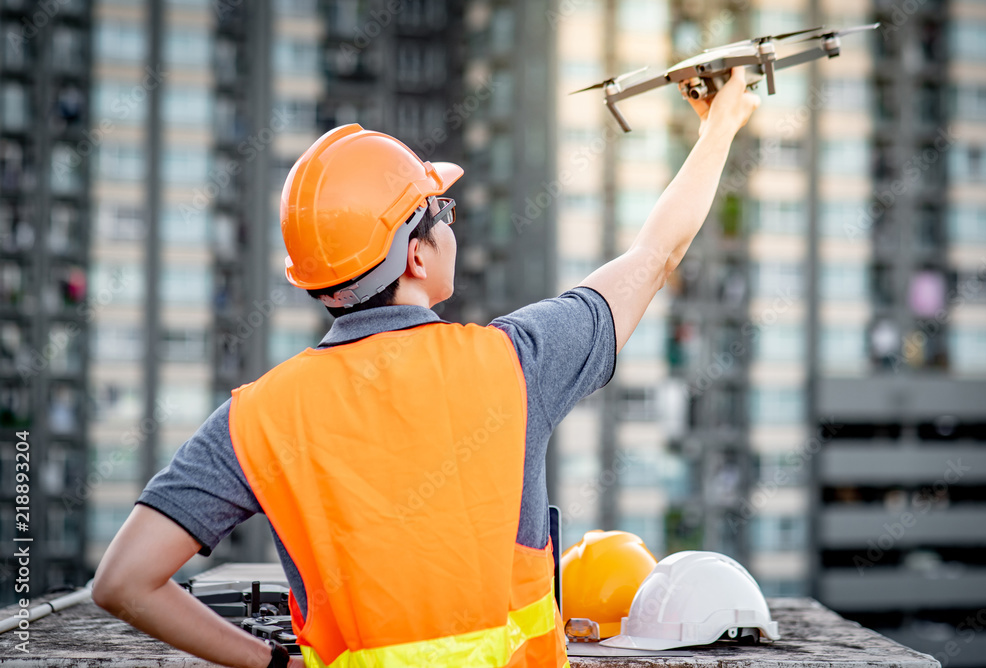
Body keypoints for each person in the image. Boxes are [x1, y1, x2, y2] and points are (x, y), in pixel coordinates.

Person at [93, 67, 759, 668]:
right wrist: (721, 123)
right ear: (415, 255)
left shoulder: (260, 416)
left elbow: (122, 583)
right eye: (441, 211)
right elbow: (656, 253)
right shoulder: (515, 364)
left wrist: (272, 665)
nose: (451, 223)